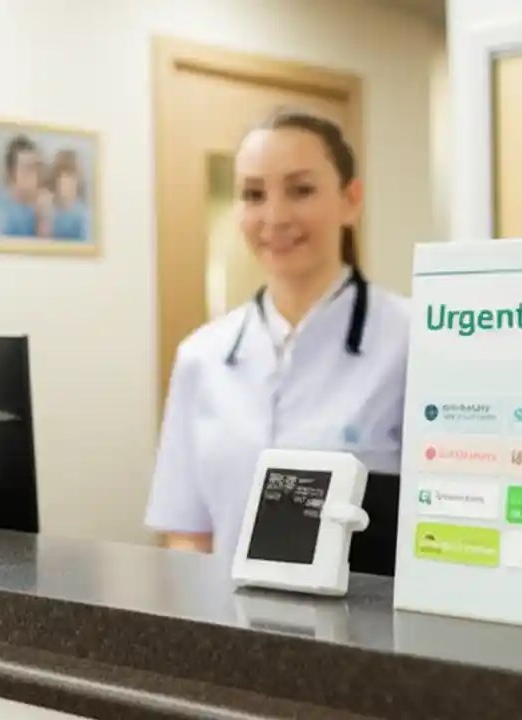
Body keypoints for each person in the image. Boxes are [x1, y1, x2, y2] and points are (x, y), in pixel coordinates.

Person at [144, 107, 410, 577]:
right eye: (253, 195)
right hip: (225, 633)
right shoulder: (201, 357)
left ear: (352, 200)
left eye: (301, 190)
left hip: (363, 639)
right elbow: (186, 533)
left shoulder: (411, 342)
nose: (275, 216)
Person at [0, 134, 43, 237]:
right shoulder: (0, 213)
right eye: (28, 169)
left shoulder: (34, 207)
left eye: (36, 168)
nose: (35, 176)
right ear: (11, 173)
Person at [39, 149, 89, 241]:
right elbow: (42, 244)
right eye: (62, 176)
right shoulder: (49, 208)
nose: (66, 182)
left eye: (71, 176)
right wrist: (45, 216)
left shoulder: (83, 214)